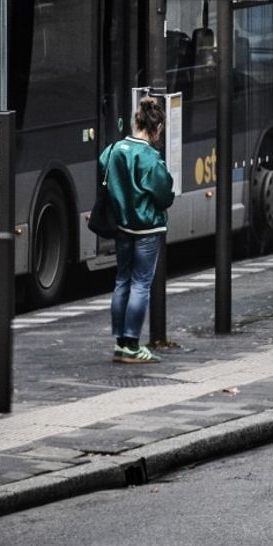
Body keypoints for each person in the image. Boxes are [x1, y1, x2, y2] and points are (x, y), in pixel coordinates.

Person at [101, 96, 175, 364]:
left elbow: (103, 166)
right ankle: (132, 343)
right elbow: (164, 195)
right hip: (147, 228)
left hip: (121, 226)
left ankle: (120, 342)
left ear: (135, 122)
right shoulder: (151, 158)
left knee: (122, 280)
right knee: (141, 283)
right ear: (158, 128)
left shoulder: (114, 150)